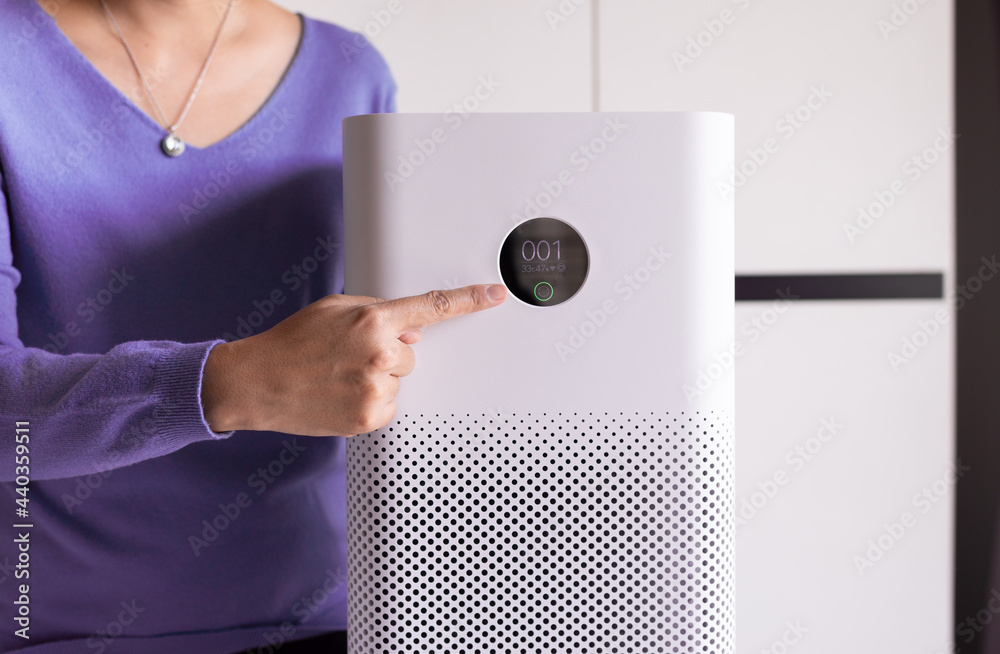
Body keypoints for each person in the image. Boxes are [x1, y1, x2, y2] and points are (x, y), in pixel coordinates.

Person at [0, 0, 507, 651]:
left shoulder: (350, 73)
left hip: (330, 619)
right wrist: (231, 383)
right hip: (60, 630)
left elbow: (387, 363)